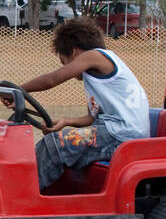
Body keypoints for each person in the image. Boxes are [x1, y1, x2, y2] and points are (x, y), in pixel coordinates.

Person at [9, 17, 150, 192]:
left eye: (64, 62)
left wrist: (17, 91)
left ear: (74, 53)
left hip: (123, 137)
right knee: (52, 141)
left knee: (55, 144)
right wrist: (66, 121)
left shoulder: (94, 56)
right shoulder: (98, 74)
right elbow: (93, 118)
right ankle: (30, 189)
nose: (67, 67)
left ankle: (21, 196)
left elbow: (51, 80)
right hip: (115, 133)